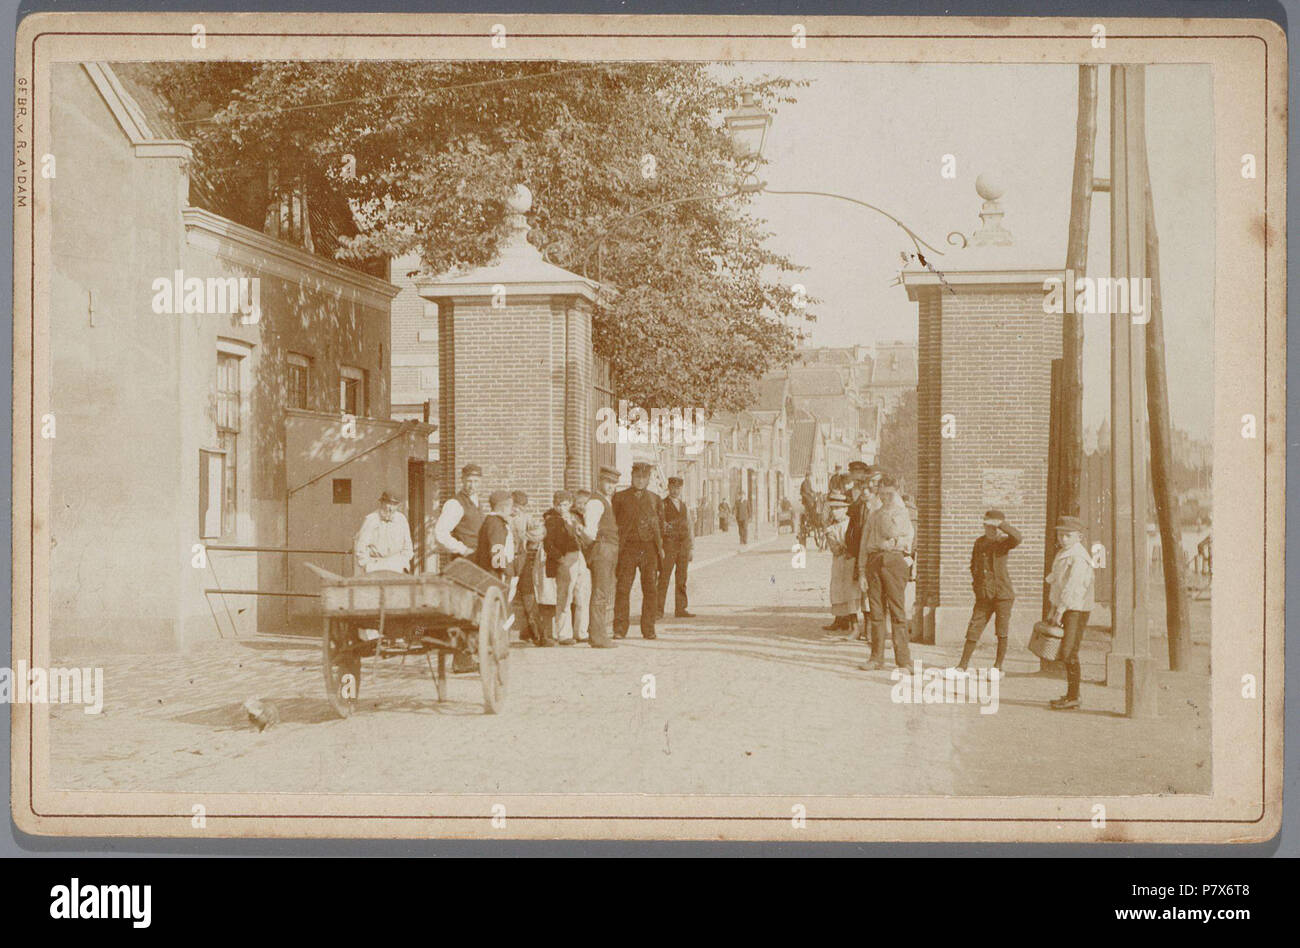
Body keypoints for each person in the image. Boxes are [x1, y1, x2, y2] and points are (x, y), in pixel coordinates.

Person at [953, 509, 1022, 677]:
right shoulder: (979, 542)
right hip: (984, 594)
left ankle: (998, 666)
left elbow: (1017, 538)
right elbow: (973, 566)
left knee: (1002, 630)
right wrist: (977, 586)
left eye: (995, 527)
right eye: (988, 526)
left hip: (1003, 594)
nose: (992, 530)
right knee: (974, 627)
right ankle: (962, 665)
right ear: (984, 526)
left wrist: (1002, 525)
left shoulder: (1004, 542)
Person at [858, 476, 914, 671]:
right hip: (874, 561)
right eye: (881, 494)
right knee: (876, 612)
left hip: (894, 562)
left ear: (896, 491)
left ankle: (904, 660)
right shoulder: (873, 515)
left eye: (889, 494)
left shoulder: (902, 514)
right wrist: (862, 571)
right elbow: (864, 544)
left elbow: (895, 534)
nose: (885, 498)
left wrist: (887, 518)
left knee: (897, 611)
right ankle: (876, 658)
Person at [1046, 516, 1096, 711]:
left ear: (1079, 537)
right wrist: (1053, 606)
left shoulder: (1079, 557)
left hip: (1076, 608)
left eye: (1068, 535)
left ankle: (1074, 696)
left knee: (1069, 651)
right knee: (1067, 652)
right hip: (1066, 606)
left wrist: (1059, 610)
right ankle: (1071, 694)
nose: (1063, 539)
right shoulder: (1064, 553)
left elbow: (1072, 588)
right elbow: (1058, 585)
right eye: (1060, 535)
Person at [613, 461, 663, 640]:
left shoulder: (655, 499)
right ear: (632, 477)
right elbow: (614, 523)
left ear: (649, 479)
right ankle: (619, 628)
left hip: (649, 549)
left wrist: (659, 550)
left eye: (644, 477)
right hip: (628, 548)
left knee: (650, 588)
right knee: (623, 588)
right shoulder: (619, 497)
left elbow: (660, 527)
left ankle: (648, 628)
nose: (640, 481)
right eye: (637, 477)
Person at [575, 467, 621, 648]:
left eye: (614, 484)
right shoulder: (596, 503)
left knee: (603, 592)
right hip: (602, 549)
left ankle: (598, 634)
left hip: (607, 549)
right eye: (608, 482)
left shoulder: (605, 501)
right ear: (600, 481)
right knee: (600, 593)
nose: (611, 487)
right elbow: (590, 531)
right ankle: (598, 636)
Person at [544, 489, 586, 645]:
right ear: (555, 505)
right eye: (559, 505)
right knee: (564, 595)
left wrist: (575, 525)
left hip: (579, 555)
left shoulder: (575, 518)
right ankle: (563, 633)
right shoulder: (551, 520)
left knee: (581, 594)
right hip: (565, 557)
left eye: (566, 504)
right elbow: (548, 544)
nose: (562, 508)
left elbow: (583, 537)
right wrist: (560, 559)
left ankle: (581, 631)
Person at [823, 491, 863, 634]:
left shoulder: (850, 524)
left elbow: (852, 543)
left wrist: (845, 547)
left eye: (838, 508)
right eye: (832, 509)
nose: (835, 512)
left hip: (850, 561)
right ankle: (840, 619)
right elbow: (835, 548)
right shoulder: (831, 527)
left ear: (845, 509)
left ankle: (854, 624)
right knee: (837, 588)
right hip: (838, 562)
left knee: (850, 591)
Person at [657, 476, 695, 619]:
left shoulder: (684, 506)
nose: (675, 490)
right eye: (673, 487)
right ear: (669, 487)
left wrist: (691, 548)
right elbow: (659, 526)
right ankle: (658, 610)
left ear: (681, 489)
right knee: (664, 579)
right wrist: (660, 548)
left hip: (683, 547)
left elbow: (690, 527)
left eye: (678, 488)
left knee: (681, 578)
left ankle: (680, 609)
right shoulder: (662, 504)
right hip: (669, 547)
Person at [353, 490, 413, 574]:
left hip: (396, 565)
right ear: (382, 503)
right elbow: (361, 546)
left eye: (394, 504)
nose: (390, 508)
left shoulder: (401, 519)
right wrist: (366, 565)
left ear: (398, 506)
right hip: (375, 565)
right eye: (388, 503)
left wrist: (403, 562)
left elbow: (408, 545)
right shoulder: (371, 519)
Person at [434, 463, 484, 561]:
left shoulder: (476, 501)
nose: (472, 486)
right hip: (464, 559)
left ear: (480, 482)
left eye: (476, 481)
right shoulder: (455, 504)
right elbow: (441, 532)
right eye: (469, 481)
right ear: (462, 480)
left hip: (477, 557)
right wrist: (463, 550)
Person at [515, 516, 549, 645]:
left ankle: (535, 634)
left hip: (518, 563)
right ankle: (538, 636)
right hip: (515, 562)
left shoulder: (520, 520)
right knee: (527, 599)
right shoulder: (519, 520)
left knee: (527, 598)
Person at [473, 490, 515, 581]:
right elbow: (497, 552)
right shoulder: (496, 523)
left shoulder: (490, 521)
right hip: (495, 574)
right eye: (511, 506)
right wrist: (507, 570)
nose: (512, 510)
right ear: (503, 507)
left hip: (490, 571)